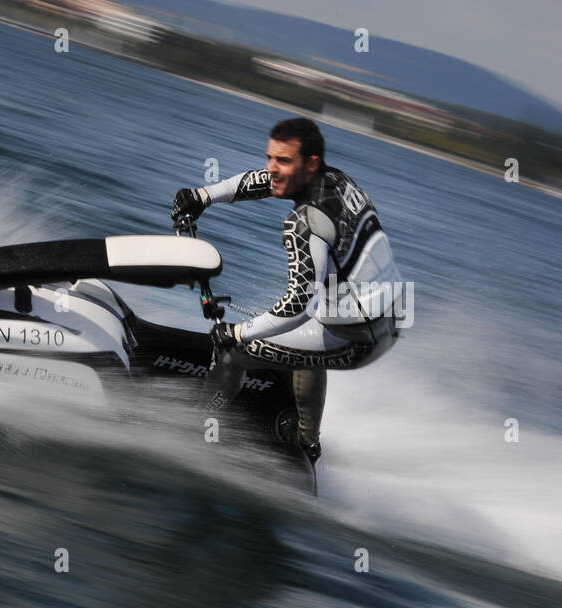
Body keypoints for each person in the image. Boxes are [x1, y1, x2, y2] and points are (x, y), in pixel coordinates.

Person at [170, 117, 404, 463]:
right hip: (394, 314)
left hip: (360, 339)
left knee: (233, 352)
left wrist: (237, 332)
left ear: (309, 164)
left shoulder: (304, 223)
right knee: (307, 336)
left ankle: (196, 428)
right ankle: (306, 440)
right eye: (270, 158)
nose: (272, 169)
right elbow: (268, 182)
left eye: (283, 160)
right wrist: (205, 196)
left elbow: (300, 304)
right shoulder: (336, 180)